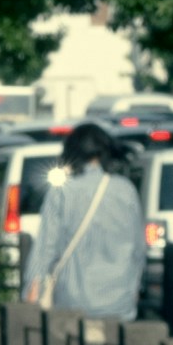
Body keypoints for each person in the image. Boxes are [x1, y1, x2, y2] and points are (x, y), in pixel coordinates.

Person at [24, 125, 146, 324]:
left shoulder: (62, 192)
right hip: (119, 303)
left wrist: (32, 289)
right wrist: (134, 290)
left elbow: (46, 248)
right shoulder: (126, 190)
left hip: (73, 303)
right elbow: (138, 251)